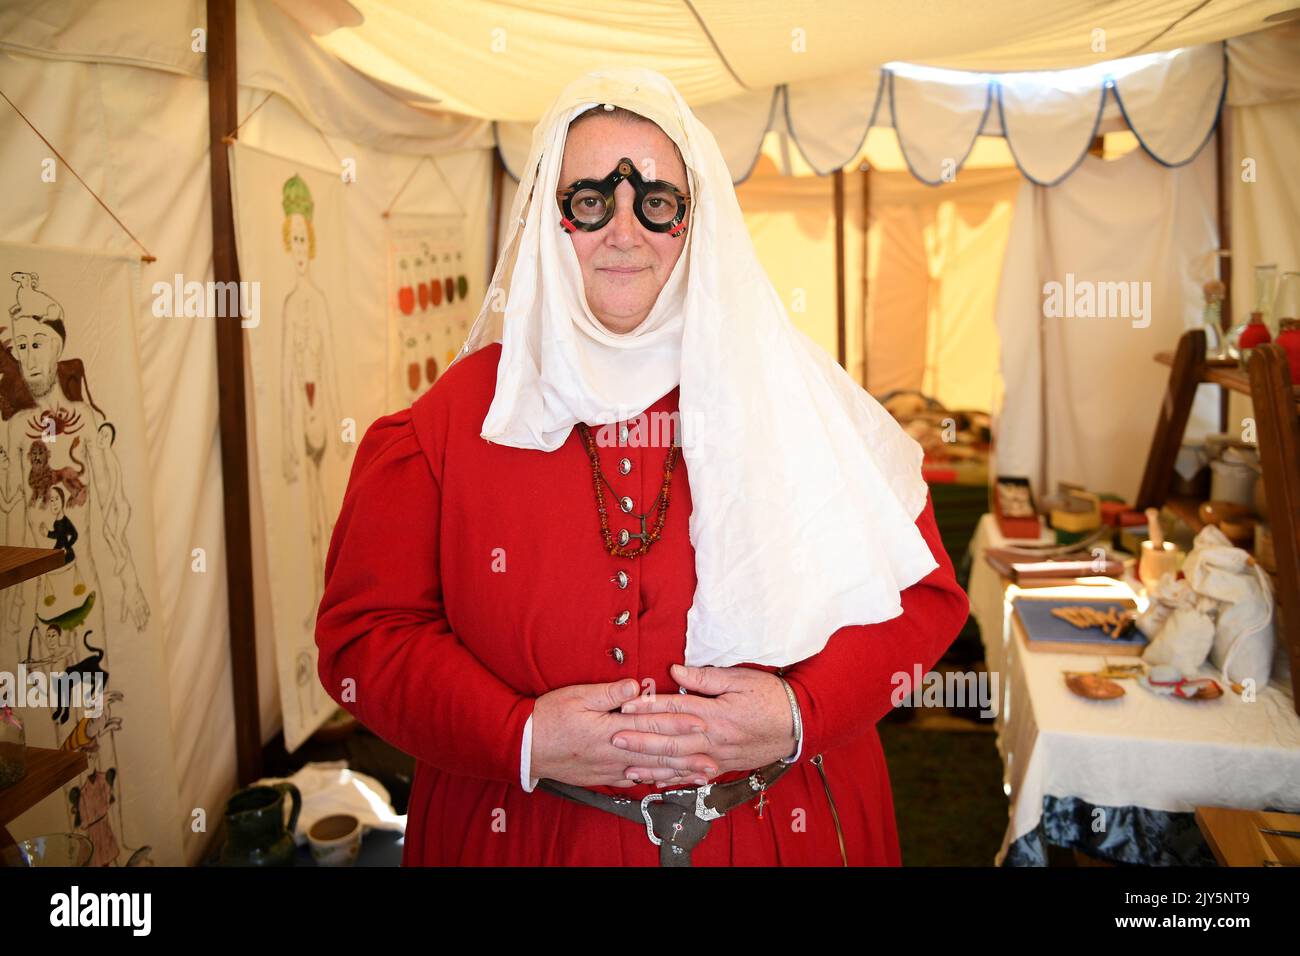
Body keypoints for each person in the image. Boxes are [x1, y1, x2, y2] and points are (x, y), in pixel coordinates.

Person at [315, 67, 970, 866]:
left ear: (695, 223)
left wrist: (801, 711)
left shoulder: (798, 395)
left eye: (656, 203)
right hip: (529, 835)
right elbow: (365, 639)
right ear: (550, 220)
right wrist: (520, 736)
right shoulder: (453, 421)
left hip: (769, 831)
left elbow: (926, 596)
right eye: (589, 201)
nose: (624, 232)